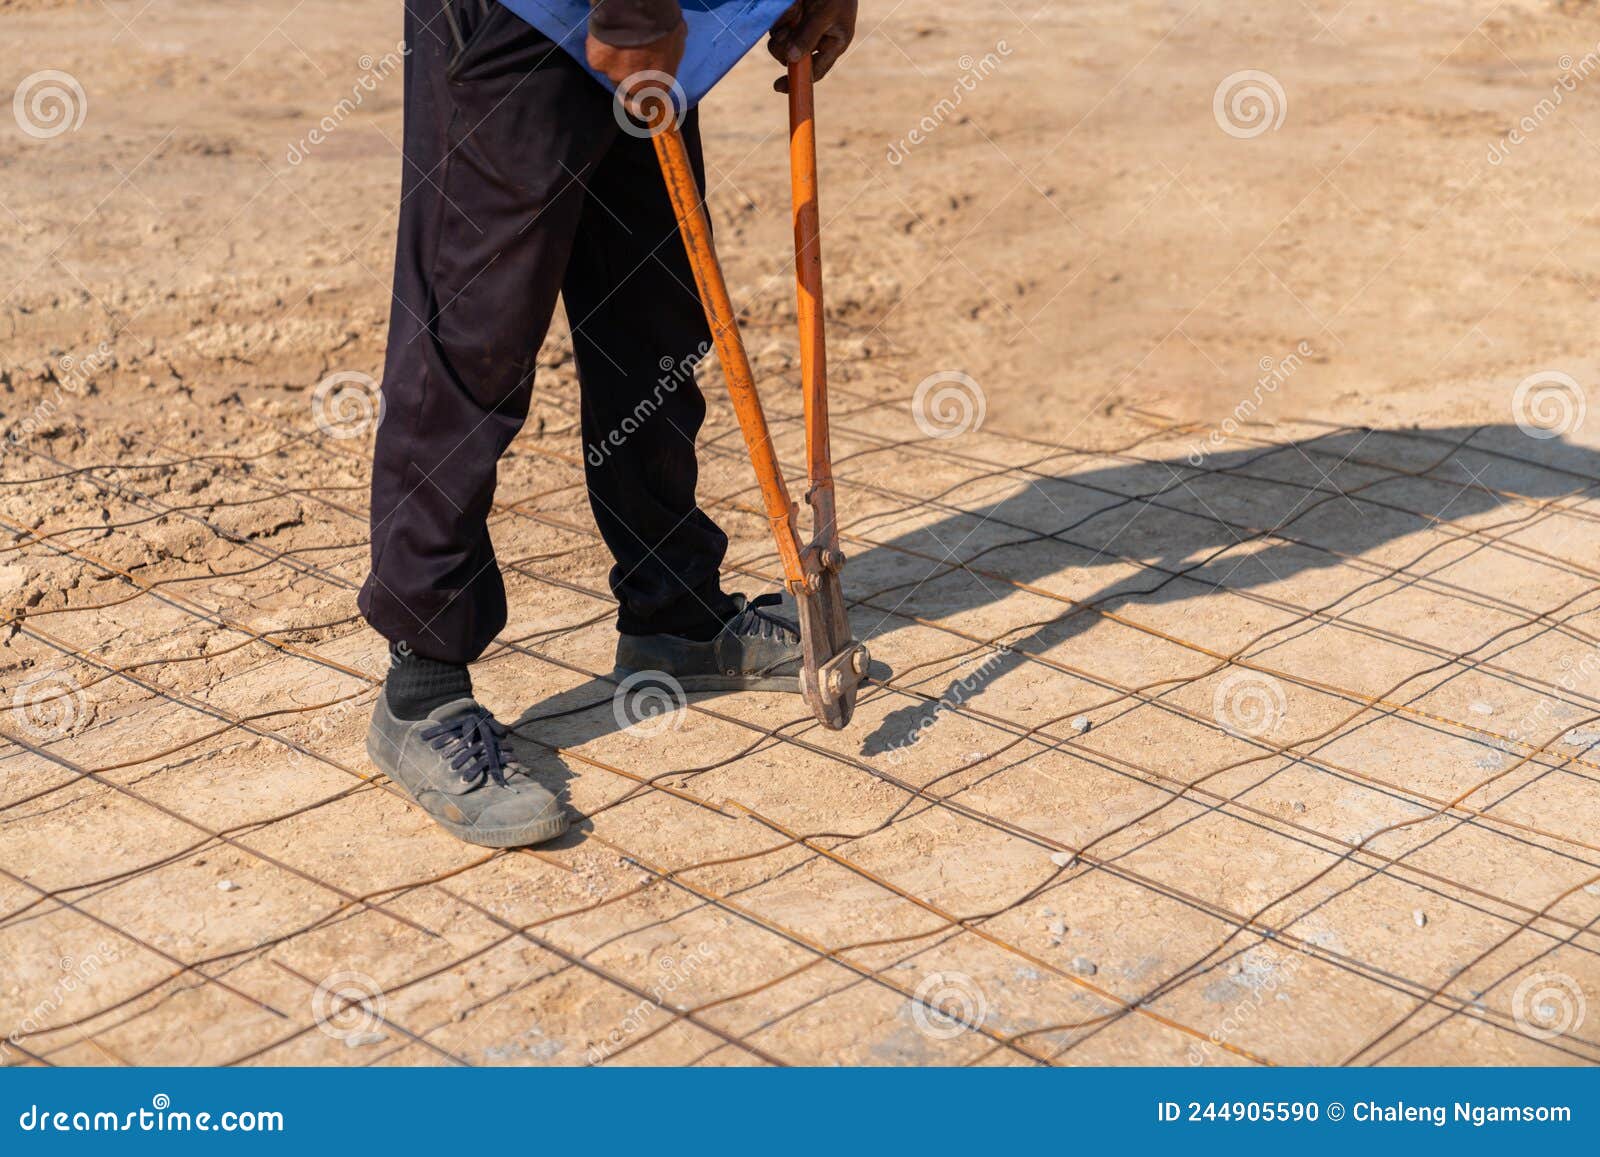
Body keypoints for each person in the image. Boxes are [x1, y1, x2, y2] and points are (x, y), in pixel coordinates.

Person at [358, 0, 859, 847]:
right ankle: (423, 686)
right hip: (532, 17)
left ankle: (674, 614)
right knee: (474, 339)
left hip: (662, 23)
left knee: (653, 314)